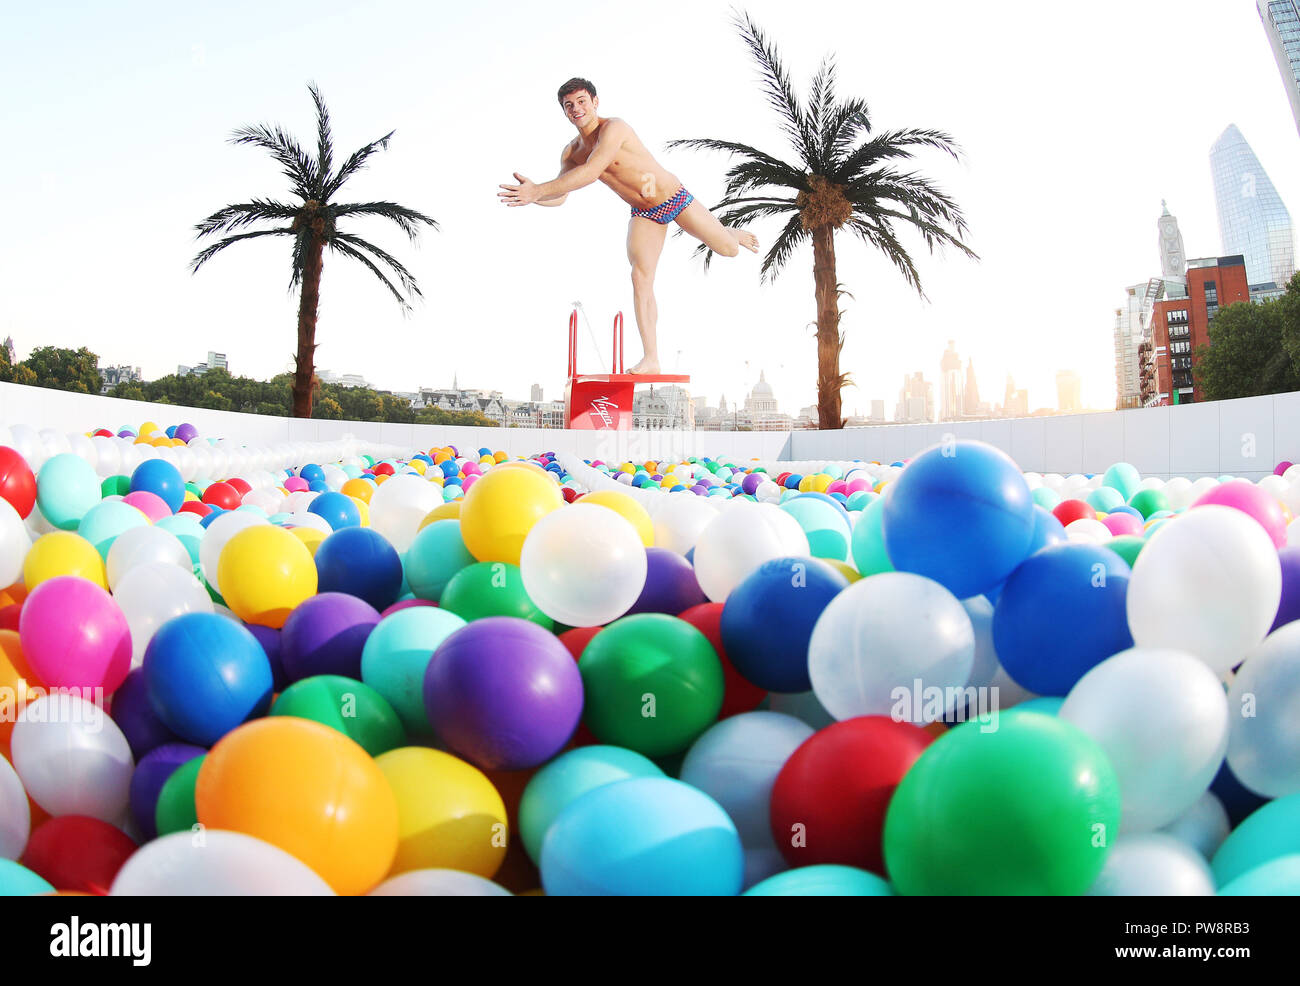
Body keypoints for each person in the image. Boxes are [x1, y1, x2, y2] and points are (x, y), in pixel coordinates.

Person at [499, 77, 759, 374]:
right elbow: (561, 196)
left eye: (582, 101)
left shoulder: (615, 128)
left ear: (595, 102)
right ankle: (652, 358)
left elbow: (592, 171)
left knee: (728, 250)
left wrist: (538, 190)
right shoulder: (571, 153)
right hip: (643, 212)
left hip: (672, 196)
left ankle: (729, 232)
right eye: (568, 105)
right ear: (564, 111)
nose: (576, 108)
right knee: (640, 277)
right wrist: (532, 196)